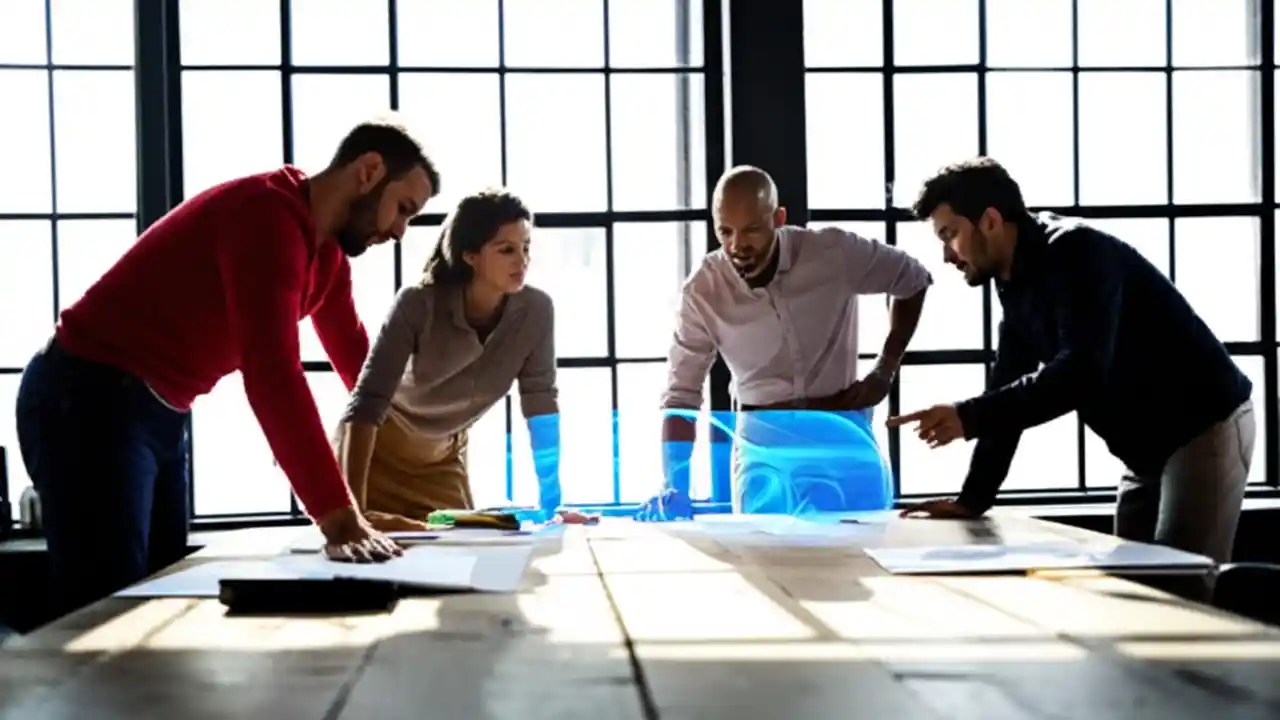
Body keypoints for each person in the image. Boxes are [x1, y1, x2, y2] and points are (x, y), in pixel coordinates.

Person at [16, 118, 439, 615]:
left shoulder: (327, 260)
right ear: (368, 171)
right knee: (103, 608)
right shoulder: (265, 216)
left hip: (160, 410)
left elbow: (357, 361)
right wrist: (338, 517)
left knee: (154, 600)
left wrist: (418, 434)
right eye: (403, 209)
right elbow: (273, 375)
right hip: (87, 396)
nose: (398, 230)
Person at [889, 157, 1255, 571]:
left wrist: (969, 416)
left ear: (990, 220)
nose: (946, 256)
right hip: (1144, 450)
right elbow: (1008, 384)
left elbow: (1080, 371)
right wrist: (973, 499)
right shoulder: (1014, 282)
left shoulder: (1076, 252)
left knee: (1184, 585)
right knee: (1134, 587)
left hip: (1203, 425)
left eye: (949, 235)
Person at [637, 165, 933, 520]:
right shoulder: (703, 289)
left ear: (778, 218)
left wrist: (885, 370)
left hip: (842, 435)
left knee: (861, 564)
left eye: (751, 230)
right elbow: (681, 396)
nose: (737, 246)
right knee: (766, 569)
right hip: (764, 450)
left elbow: (913, 279)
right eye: (725, 231)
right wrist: (676, 488)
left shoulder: (833, 252)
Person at [335, 188, 586, 529]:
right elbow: (366, 402)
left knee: (459, 551)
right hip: (375, 457)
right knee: (373, 564)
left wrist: (552, 505)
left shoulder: (536, 311)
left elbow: (541, 401)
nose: (522, 260)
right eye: (507, 250)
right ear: (470, 255)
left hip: (442, 460)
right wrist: (354, 511)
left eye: (526, 248)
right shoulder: (416, 304)